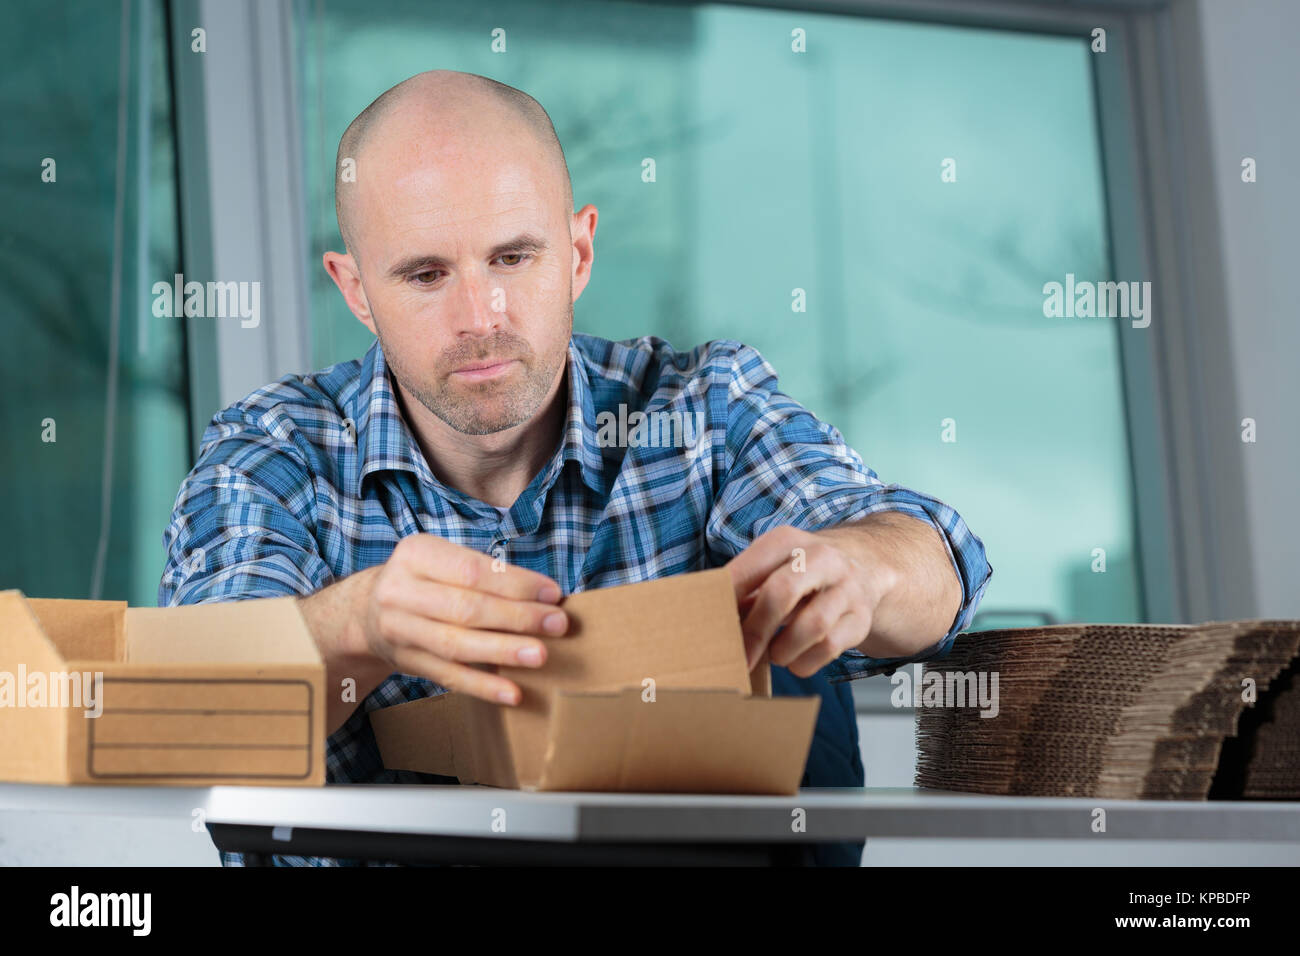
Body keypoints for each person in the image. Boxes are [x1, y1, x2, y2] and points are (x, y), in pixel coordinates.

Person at [159, 70, 993, 867]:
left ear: (580, 252)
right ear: (356, 291)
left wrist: (863, 569)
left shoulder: (699, 409)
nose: (480, 317)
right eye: (424, 274)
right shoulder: (274, 450)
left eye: (513, 258)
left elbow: (934, 561)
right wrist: (361, 626)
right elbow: (191, 711)